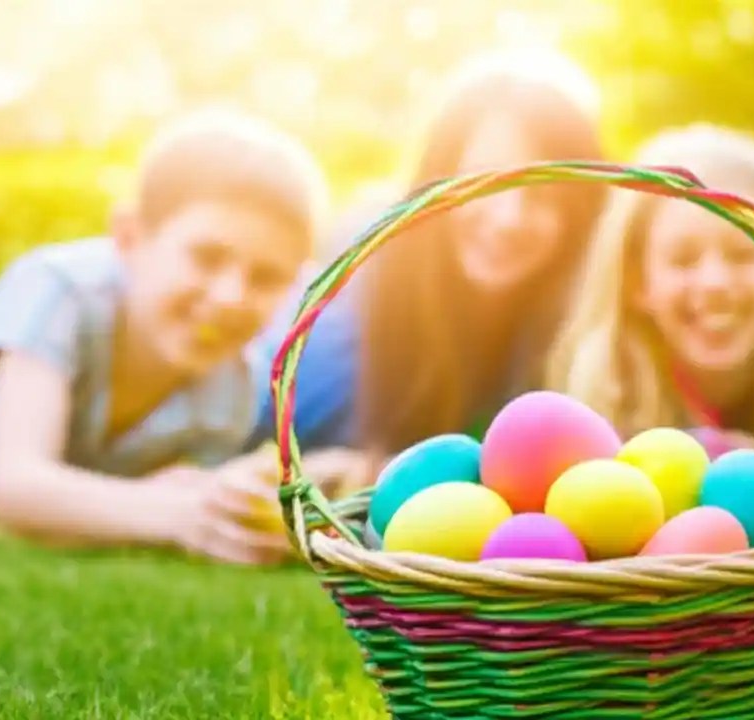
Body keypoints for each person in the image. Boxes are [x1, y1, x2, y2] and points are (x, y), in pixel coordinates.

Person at [0, 109, 326, 564]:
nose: (231, 297)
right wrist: (176, 512)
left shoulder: (232, 387)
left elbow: (159, 501)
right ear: (130, 237)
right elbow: (15, 486)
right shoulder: (59, 293)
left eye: (266, 277)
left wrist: (212, 497)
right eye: (207, 257)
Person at [248, 51, 608, 469]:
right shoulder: (354, 306)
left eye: (543, 194)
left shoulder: (578, 337)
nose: (510, 218)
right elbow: (230, 426)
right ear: (432, 184)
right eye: (484, 182)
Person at [547, 124, 754, 477]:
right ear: (637, 282)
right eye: (683, 258)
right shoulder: (602, 405)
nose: (715, 283)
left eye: (742, 254)